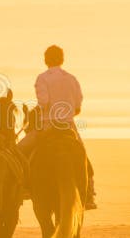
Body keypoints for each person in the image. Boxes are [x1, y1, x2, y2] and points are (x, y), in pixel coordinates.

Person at [18, 45, 98, 209]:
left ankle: (22, 188)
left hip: (47, 126)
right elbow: (77, 108)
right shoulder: (72, 79)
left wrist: (36, 113)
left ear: (46, 60)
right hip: (69, 126)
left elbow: (44, 102)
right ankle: (89, 194)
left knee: (18, 151)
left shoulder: (42, 78)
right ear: (62, 59)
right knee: (84, 158)